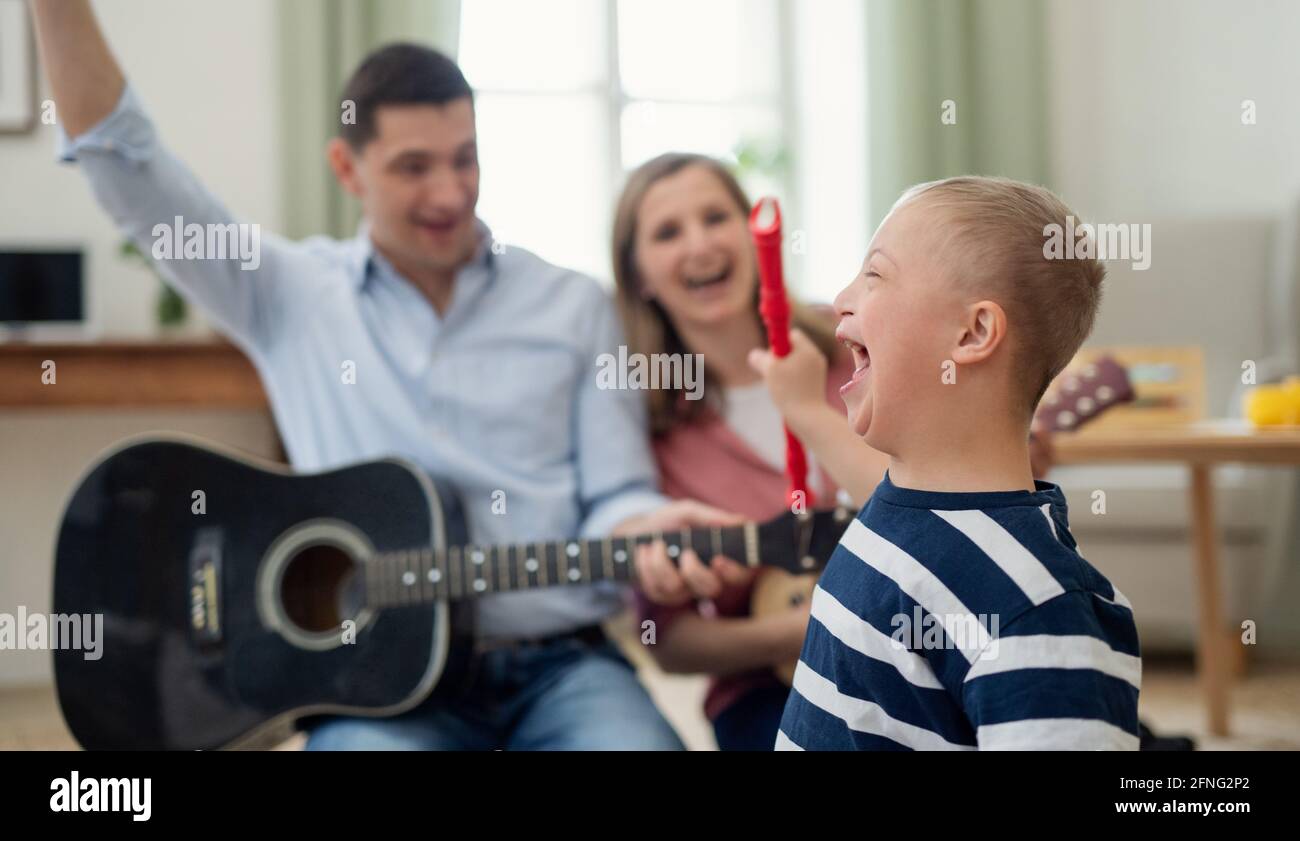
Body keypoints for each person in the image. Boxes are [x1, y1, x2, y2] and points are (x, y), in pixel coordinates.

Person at [31, 0, 739, 750]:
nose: (450, 192)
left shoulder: (572, 305)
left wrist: (645, 530)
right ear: (347, 168)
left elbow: (613, 495)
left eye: (465, 157)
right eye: (414, 166)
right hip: (373, 692)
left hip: (564, 666)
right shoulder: (287, 293)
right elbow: (126, 167)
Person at [765, 176, 1142, 750]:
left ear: (973, 332)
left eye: (874, 277)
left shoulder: (1037, 611)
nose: (840, 299)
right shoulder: (894, 510)